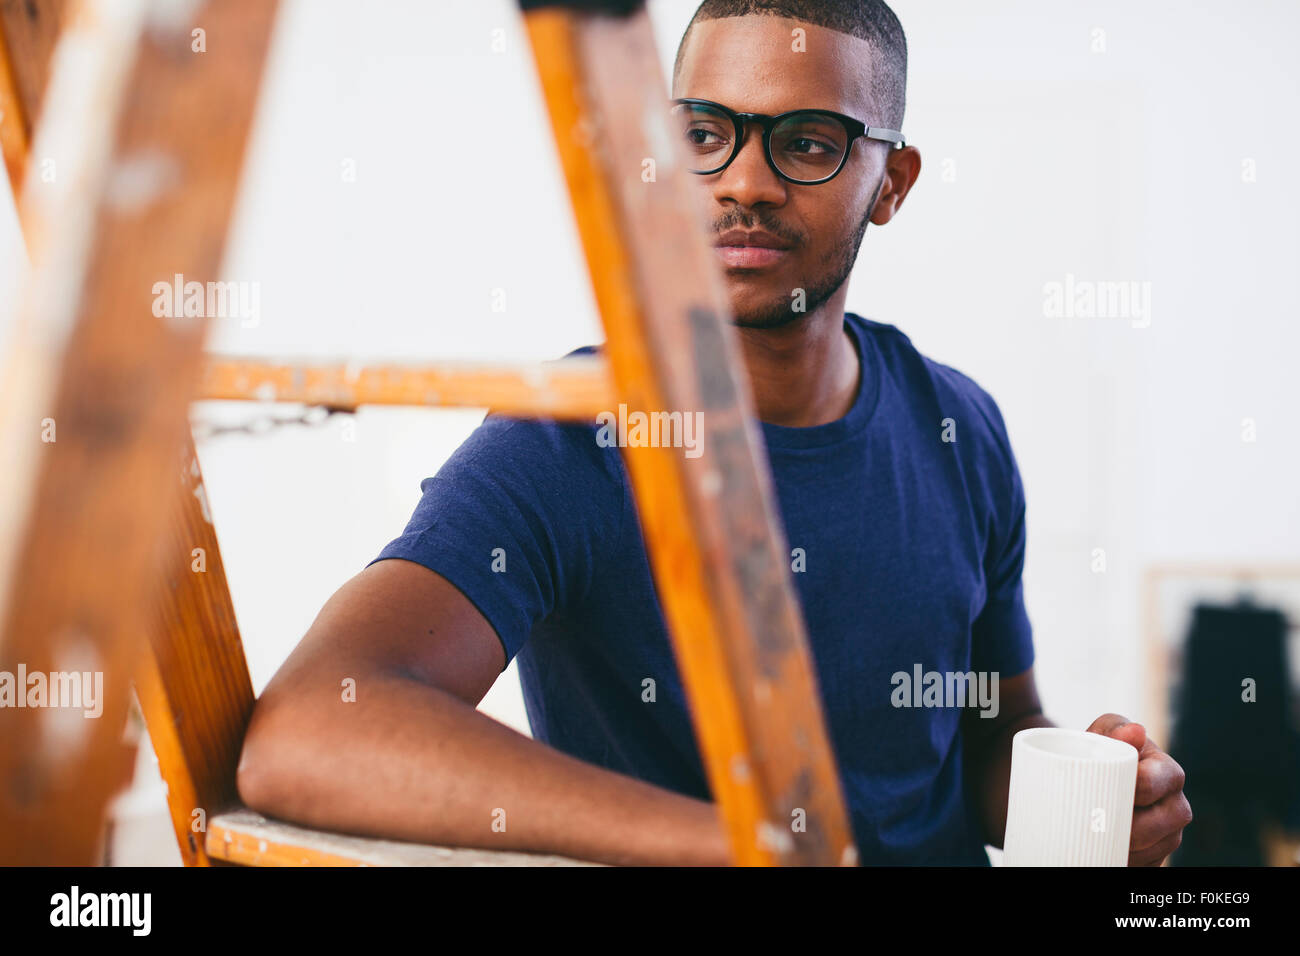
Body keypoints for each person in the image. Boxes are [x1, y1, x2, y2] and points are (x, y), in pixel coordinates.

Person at [237, 0, 1191, 866]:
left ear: (891, 183)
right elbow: (310, 729)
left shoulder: (960, 426)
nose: (746, 183)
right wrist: (748, 851)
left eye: (810, 143)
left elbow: (994, 728)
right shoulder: (573, 437)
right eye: (705, 133)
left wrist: (1104, 801)